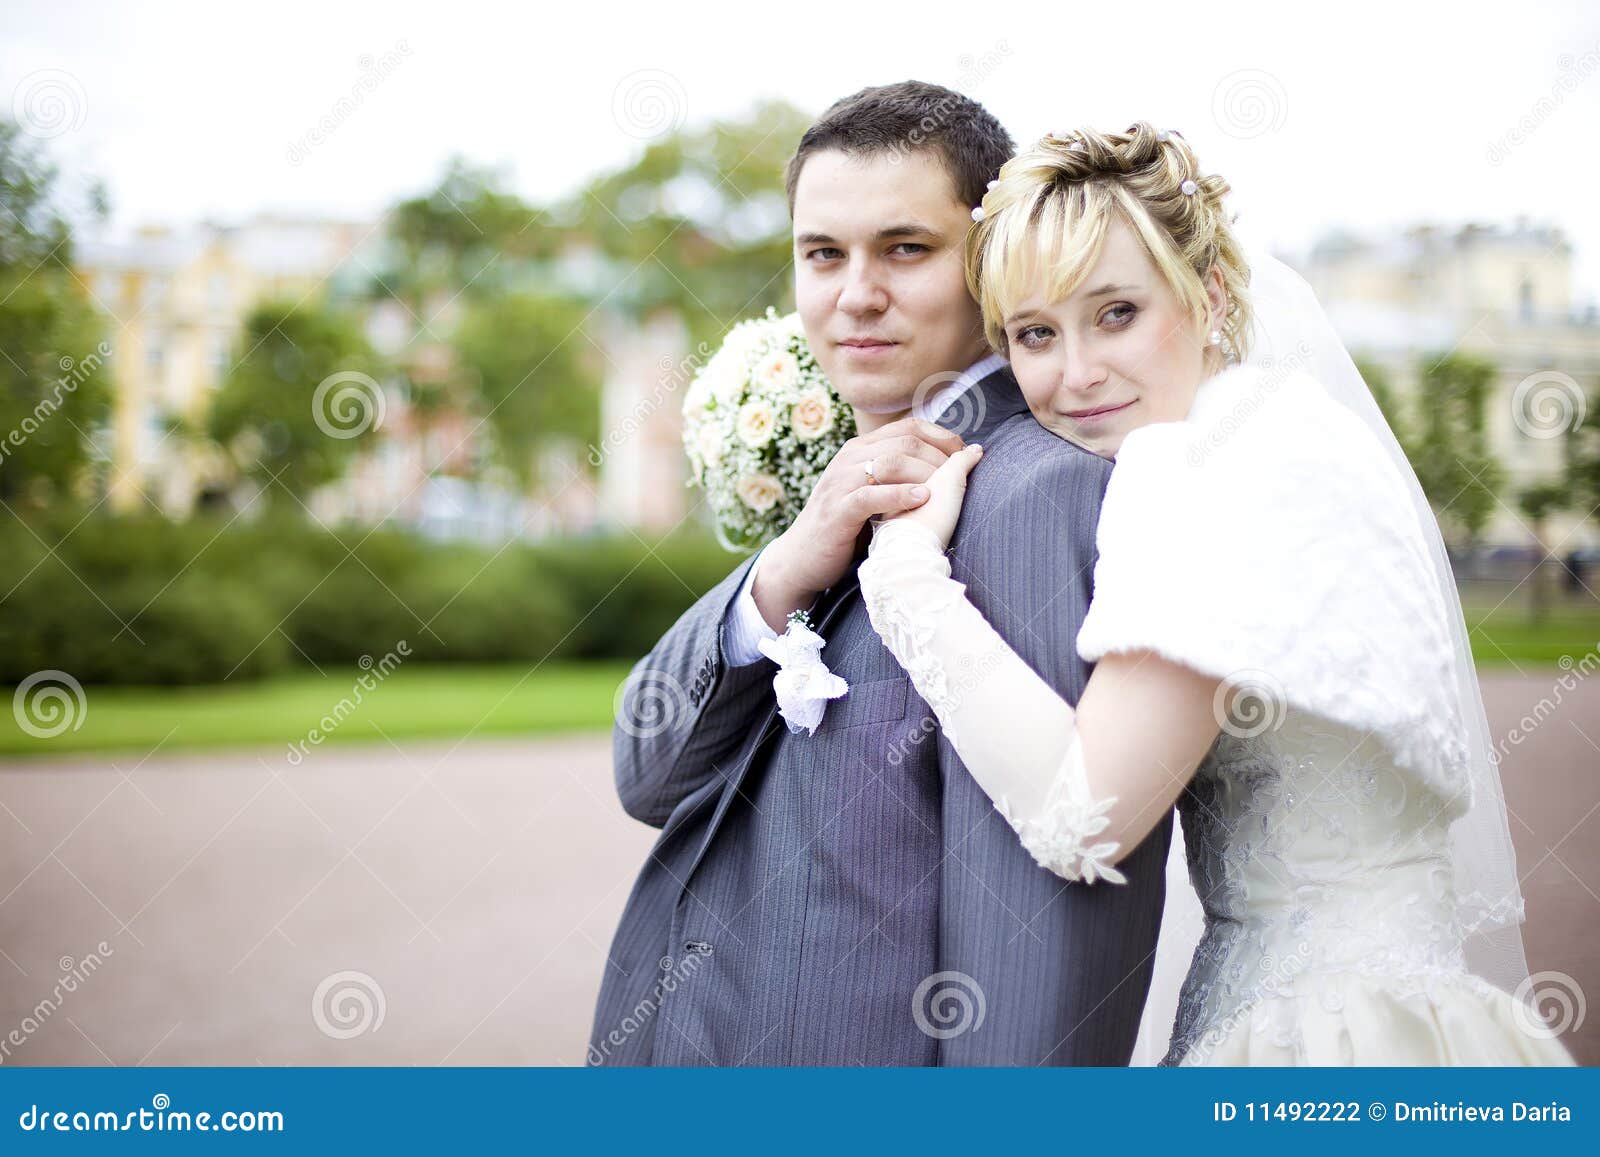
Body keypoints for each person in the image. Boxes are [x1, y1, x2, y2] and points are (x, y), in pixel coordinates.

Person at [857, 121, 1577, 1065]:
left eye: (1116, 312)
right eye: (1036, 332)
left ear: (1212, 296)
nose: (1076, 374)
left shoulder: (1199, 459)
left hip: (1320, 1039)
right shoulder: (1296, 429)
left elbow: (1087, 819)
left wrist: (907, 579)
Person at [589, 85, 1172, 1066]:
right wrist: (783, 569)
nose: (854, 292)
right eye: (822, 253)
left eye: (905, 249)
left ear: (992, 263)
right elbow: (647, 772)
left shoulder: (1039, 499)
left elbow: (1047, 942)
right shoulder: (838, 506)